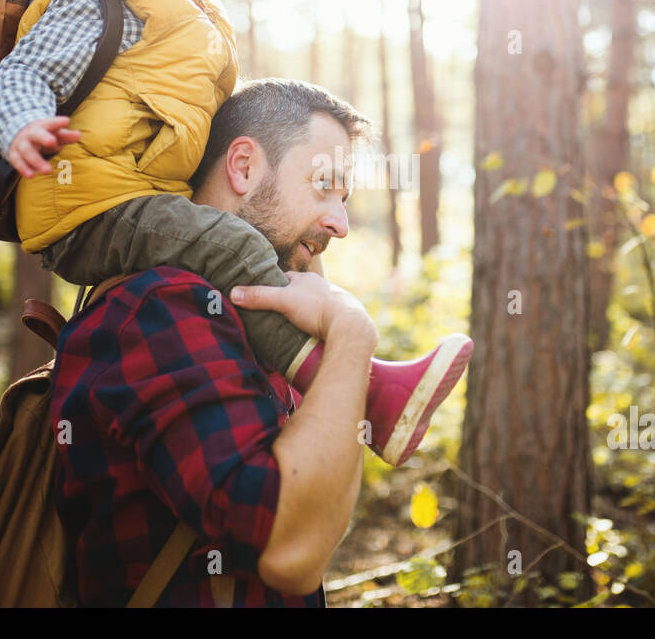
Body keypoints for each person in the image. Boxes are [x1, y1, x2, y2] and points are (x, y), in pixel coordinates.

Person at [0, 0, 470, 469]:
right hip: (86, 207)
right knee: (232, 242)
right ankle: (365, 392)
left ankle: (356, 388)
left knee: (266, 251)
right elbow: (24, 72)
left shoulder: (199, 25)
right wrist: (21, 122)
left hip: (135, 198)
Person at [51, 80, 430, 606]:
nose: (340, 224)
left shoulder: (246, 318)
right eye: (324, 186)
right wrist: (351, 333)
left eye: (344, 199)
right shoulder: (164, 308)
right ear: (244, 166)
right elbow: (292, 551)